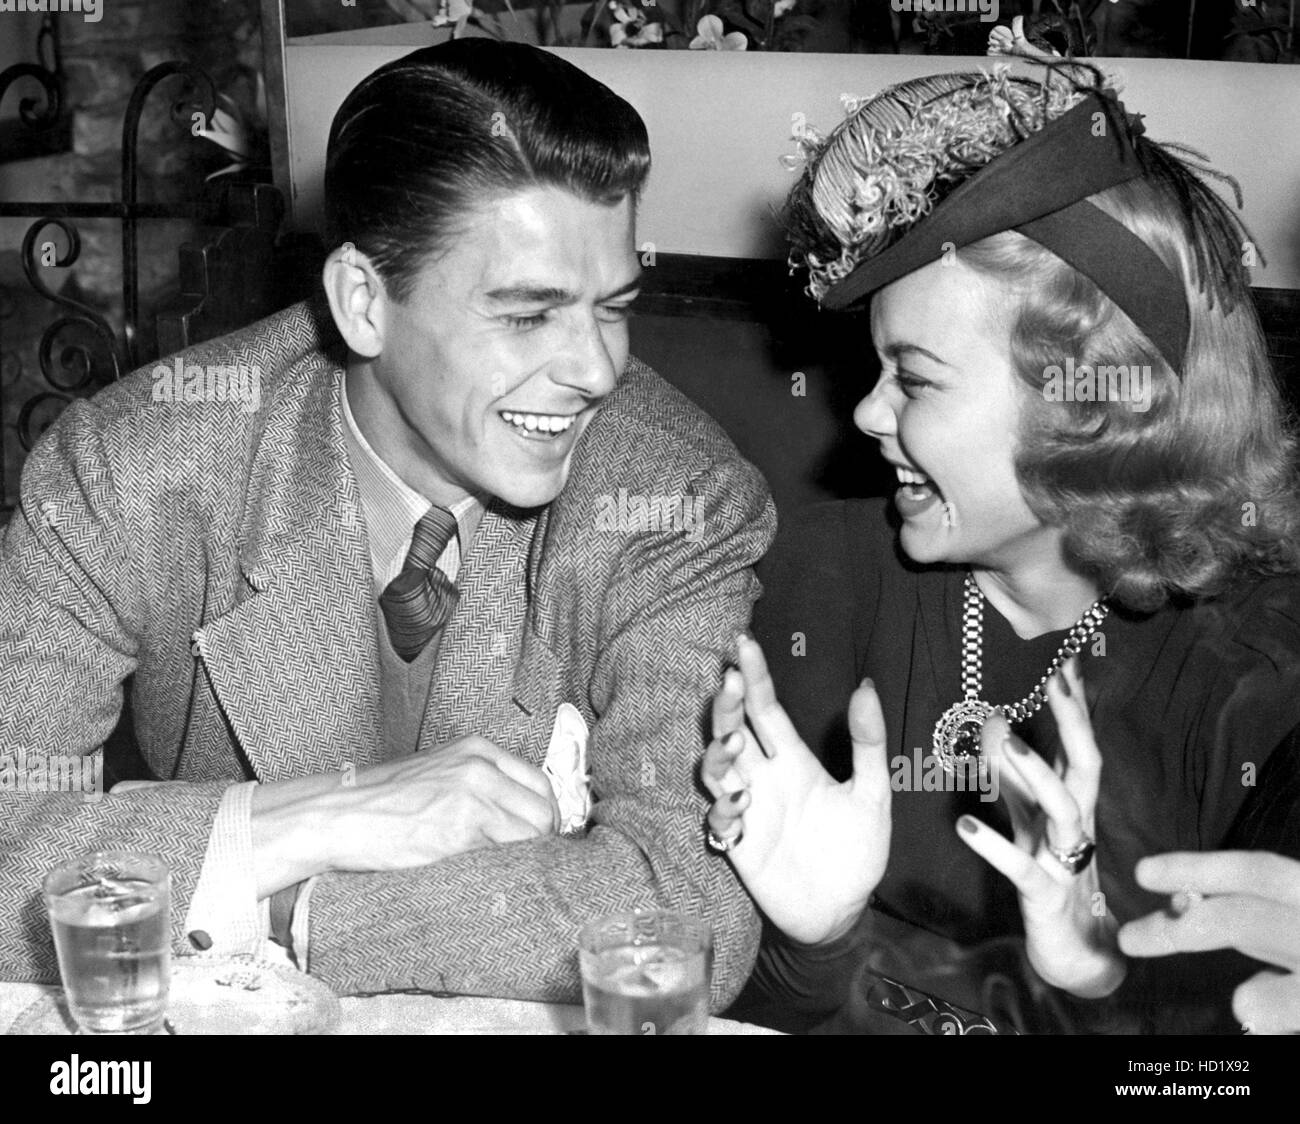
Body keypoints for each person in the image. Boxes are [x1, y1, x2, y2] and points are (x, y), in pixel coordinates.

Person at [0, 40, 775, 1006]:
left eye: (613, 308)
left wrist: (293, 910)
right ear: (363, 303)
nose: (596, 369)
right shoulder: (128, 472)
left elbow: (688, 905)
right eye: (529, 315)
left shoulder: (672, 500)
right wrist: (301, 821)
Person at [701, 63, 1300, 1033]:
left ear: (1085, 409)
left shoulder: (1256, 677)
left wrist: (1095, 974)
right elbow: (734, 1001)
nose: (863, 409)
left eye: (917, 379)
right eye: (874, 365)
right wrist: (811, 932)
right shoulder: (826, 572)